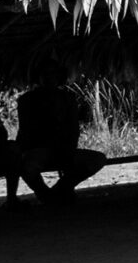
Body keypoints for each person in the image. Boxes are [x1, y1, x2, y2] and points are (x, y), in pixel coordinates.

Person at [13, 64, 109, 200]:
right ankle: (45, 194)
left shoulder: (68, 98)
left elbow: (74, 128)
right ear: (38, 78)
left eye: (53, 75)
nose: (49, 78)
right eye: (45, 75)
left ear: (59, 78)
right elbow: (26, 130)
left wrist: (68, 148)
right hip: (38, 150)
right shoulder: (27, 100)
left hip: (64, 149)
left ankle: (61, 188)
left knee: (98, 159)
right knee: (25, 166)